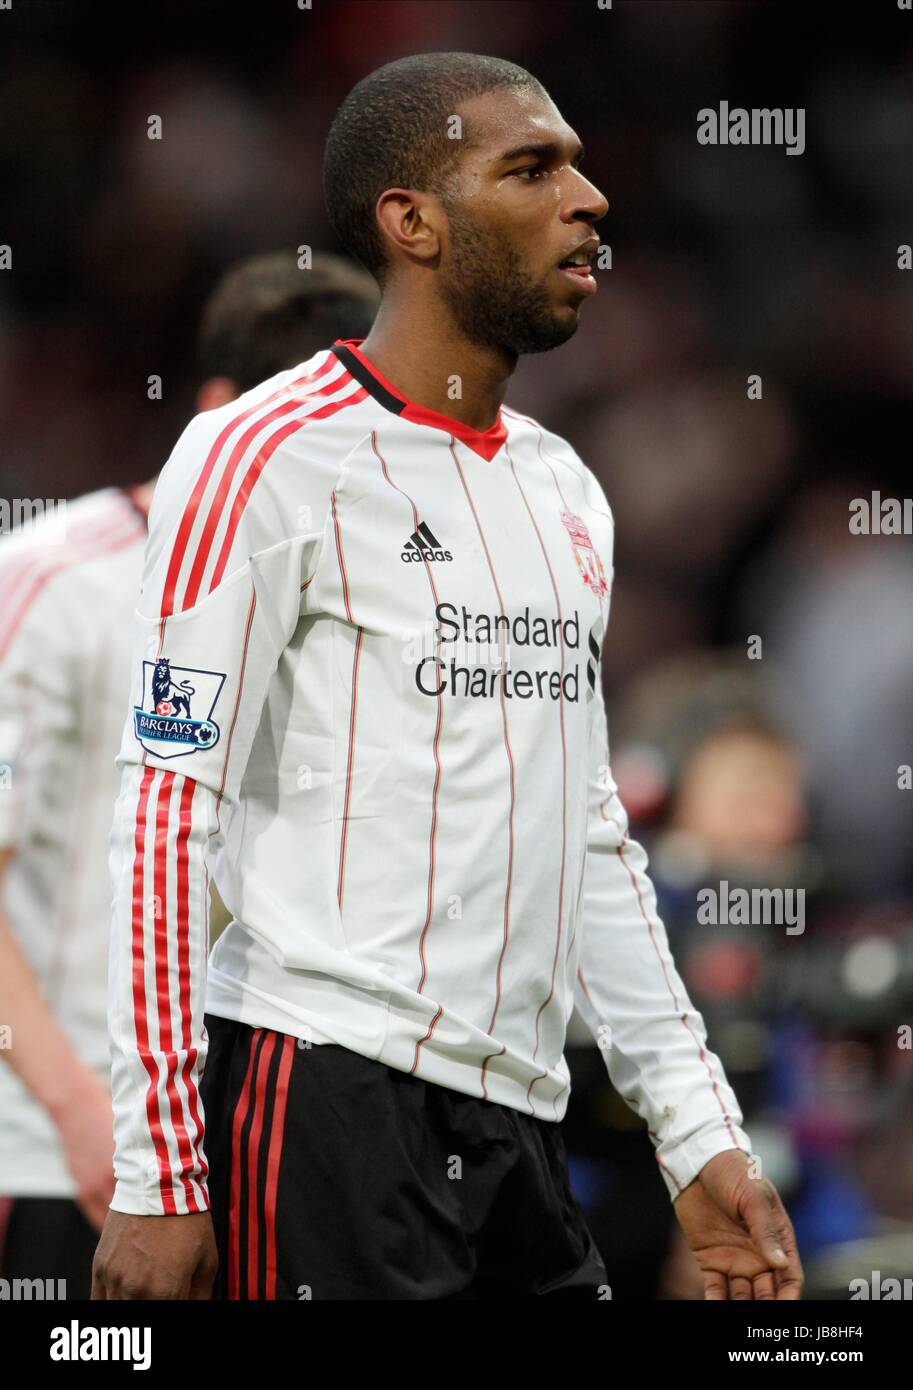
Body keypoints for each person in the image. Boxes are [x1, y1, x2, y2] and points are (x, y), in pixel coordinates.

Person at [93, 53, 803, 1301]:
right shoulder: (258, 455)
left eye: (577, 165)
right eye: (531, 169)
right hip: (325, 1100)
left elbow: (588, 837)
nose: (587, 199)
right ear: (409, 221)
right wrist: (159, 1172)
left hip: (523, 1115)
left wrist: (697, 1132)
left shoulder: (564, 487)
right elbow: (164, 810)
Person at [0, 250, 378, 1299]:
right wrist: (84, 1115)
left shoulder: (351, 596)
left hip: (253, 1152)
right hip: (59, 1156)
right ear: (219, 413)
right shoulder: (49, 580)